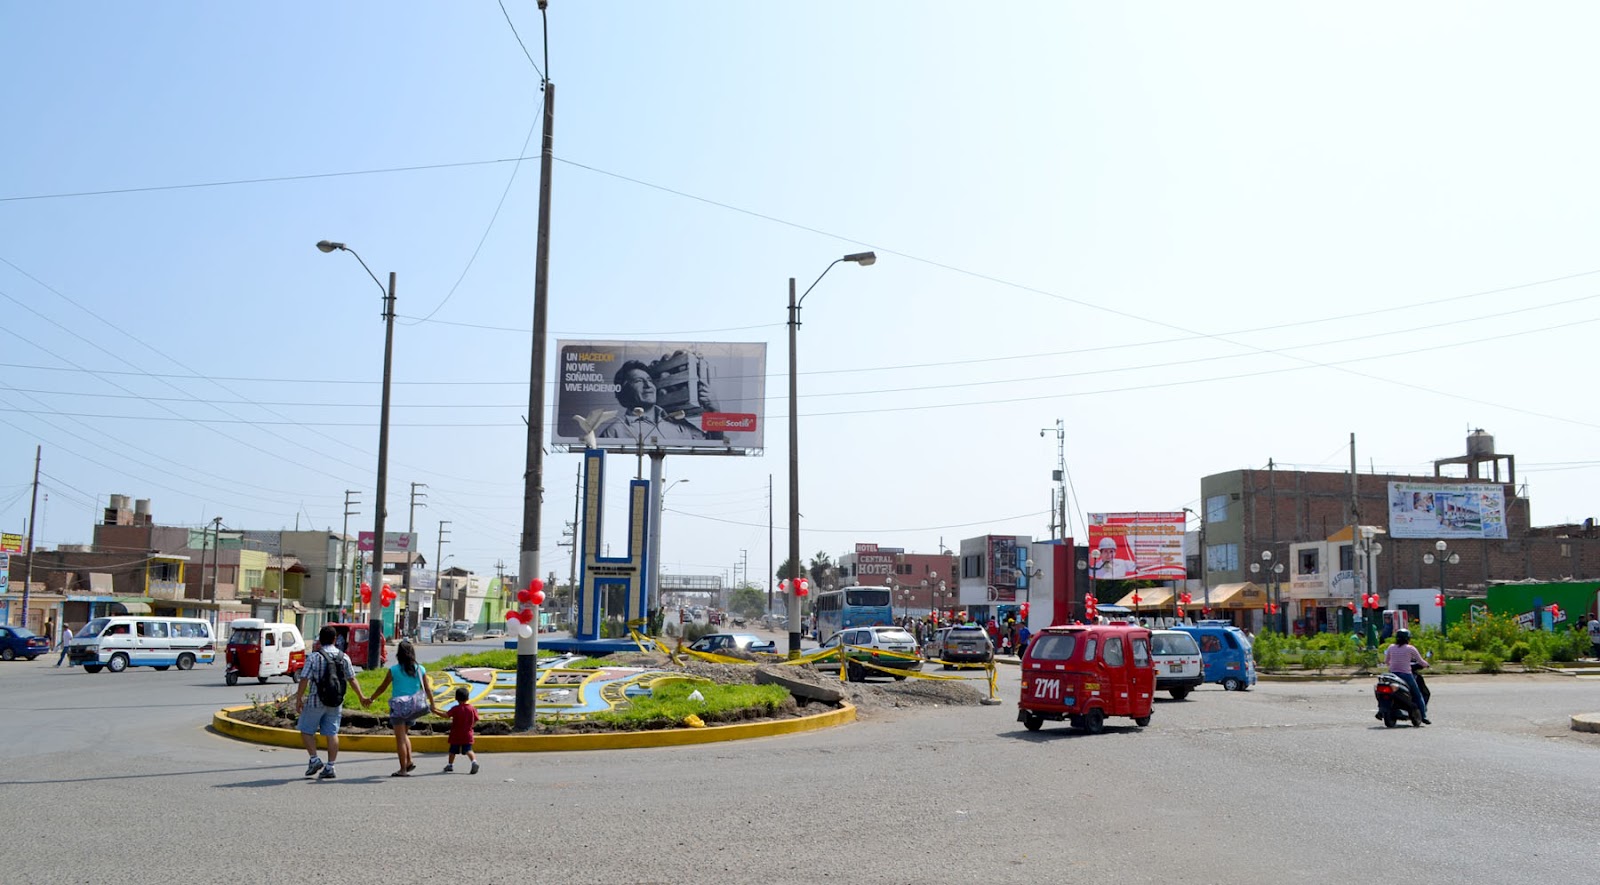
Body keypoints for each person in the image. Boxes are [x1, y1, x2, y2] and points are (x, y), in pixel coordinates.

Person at [296, 624, 369, 779]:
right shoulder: (344, 657)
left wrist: (299, 699)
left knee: (306, 730)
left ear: (320, 640)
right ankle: (330, 766)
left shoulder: (314, 657)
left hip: (316, 700)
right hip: (336, 701)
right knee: (332, 733)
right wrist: (361, 697)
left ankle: (314, 759)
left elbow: (304, 679)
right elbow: (352, 679)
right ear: (335, 639)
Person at [595, 357, 723, 442]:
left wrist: (715, 411)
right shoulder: (615, 431)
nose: (648, 385)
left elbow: (714, 444)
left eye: (650, 380)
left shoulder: (678, 423)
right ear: (624, 391)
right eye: (639, 381)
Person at [364, 639, 439, 777]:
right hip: (414, 708)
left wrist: (371, 698)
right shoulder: (420, 669)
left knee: (400, 739)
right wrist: (433, 705)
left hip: (399, 708)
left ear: (399, 654)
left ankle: (403, 769)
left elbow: (382, 687)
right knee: (404, 735)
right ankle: (409, 761)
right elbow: (427, 689)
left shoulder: (394, 670)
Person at [1383, 629, 1430, 725]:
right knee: (1418, 695)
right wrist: (1427, 664)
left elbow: (1387, 661)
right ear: (1408, 638)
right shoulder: (1410, 648)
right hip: (1406, 675)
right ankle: (1423, 716)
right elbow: (1421, 661)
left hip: (1392, 675)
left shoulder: (1391, 647)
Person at [444, 686, 480, 775]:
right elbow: (476, 719)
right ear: (468, 698)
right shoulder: (472, 708)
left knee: (452, 751)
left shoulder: (455, 709)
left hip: (456, 734)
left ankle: (450, 765)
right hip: (467, 733)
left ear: (456, 698)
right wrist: (471, 726)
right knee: (468, 750)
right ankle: (474, 762)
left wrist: (434, 711)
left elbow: (446, 715)